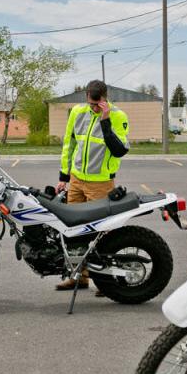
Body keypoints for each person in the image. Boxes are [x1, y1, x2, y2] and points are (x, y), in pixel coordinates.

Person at [55, 80, 130, 290]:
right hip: (77, 180)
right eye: (92, 104)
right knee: (74, 231)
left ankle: (107, 283)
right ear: (87, 97)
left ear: (105, 98)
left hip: (101, 183)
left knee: (102, 234)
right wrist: (64, 177)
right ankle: (79, 277)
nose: (95, 108)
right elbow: (68, 145)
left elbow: (119, 150)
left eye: (98, 104)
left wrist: (105, 121)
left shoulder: (118, 116)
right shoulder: (78, 112)